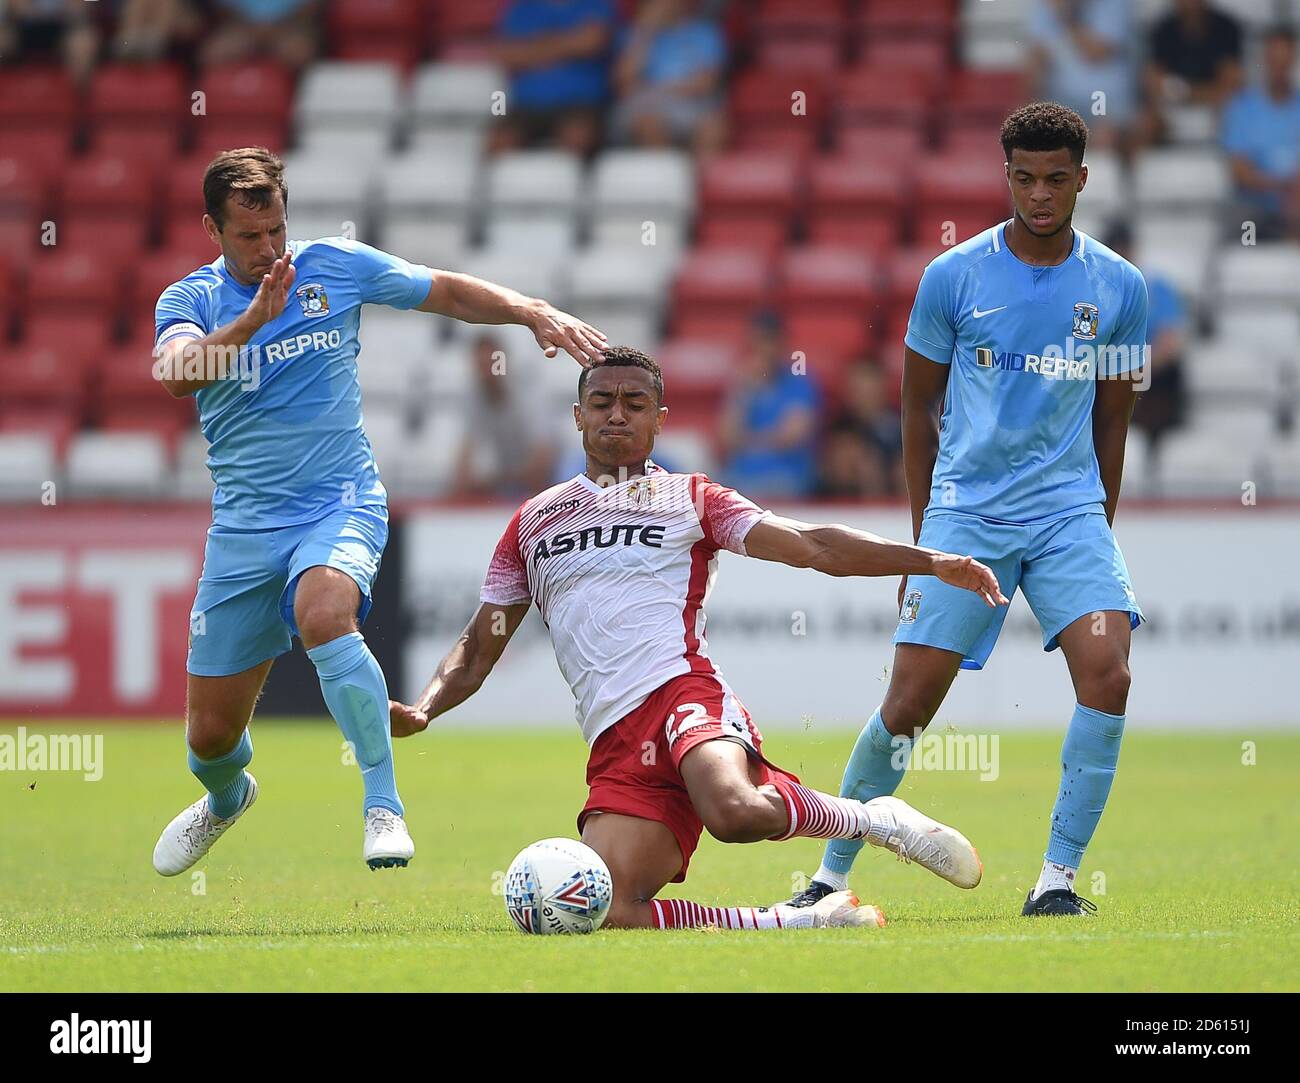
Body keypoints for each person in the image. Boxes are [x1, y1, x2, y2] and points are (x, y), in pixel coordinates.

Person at [389, 346, 1008, 931]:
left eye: (635, 403)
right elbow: (478, 646)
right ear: (578, 415)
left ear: (660, 420)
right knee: (609, 907)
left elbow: (813, 545)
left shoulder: (689, 497)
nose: (616, 414)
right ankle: (794, 920)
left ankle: (876, 819)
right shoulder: (532, 522)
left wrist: (928, 561)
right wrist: (423, 707)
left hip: (682, 692)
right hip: (613, 736)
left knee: (733, 811)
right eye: (601, 402)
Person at [149, 147, 606, 877]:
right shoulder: (190, 301)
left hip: (340, 500)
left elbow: (446, 291)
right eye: (248, 237)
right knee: (208, 739)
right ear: (212, 229)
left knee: (325, 612)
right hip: (243, 526)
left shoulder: (333, 265)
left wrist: (530, 310)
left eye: (275, 231)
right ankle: (228, 796)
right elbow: (175, 374)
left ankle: (382, 801)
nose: (268, 250)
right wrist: (250, 325)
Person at [784, 103, 1149, 918]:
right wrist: (923, 548)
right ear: (1006, 175)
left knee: (1110, 673)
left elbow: (1115, 415)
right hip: (968, 513)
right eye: (1025, 177)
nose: (1041, 193)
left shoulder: (1121, 288)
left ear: (1082, 179)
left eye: (1057, 179)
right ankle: (831, 874)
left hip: (1068, 516)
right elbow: (918, 412)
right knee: (908, 708)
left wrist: (1099, 529)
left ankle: (1056, 881)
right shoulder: (952, 277)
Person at [492, 0, 618, 157]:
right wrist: (571, 43)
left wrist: (534, 49)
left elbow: (592, 42)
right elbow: (506, 54)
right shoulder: (522, 8)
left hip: (582, 103)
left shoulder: (595, 5)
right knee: (500, 140)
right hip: (526, 106)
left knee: (578, 135)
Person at [718, 311, 820, 498]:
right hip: (740, 473)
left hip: (785, 474)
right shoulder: (743, 382)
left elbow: (791, 437)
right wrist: (743, 392)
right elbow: (727, 437)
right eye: (756, 343)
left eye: (767, 341)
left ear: (780, 344)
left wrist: (748, 440)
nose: (762, 349)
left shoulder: (799, 380)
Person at [611, 0, 727, 158]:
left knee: (714, 126)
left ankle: (700, 180)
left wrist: (657, 89)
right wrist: (647, 32)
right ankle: (665, 179)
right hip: (645, 105)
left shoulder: (704, 33)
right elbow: (624, 82)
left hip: (690, 103)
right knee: (649, 123)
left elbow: (706, 83)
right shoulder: (634, 34)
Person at [1107, 224, 1187, 447]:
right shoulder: (1094, 291)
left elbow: (1170, 342)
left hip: (1150, 376)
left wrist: (1136, 371)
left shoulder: (1156, 288)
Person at [451, 333, 558, 498]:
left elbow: (543, 462)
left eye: (490, 364)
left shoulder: (526, 393)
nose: (486, 372)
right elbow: (464, 462)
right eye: (481, 365)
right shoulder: (476, 396)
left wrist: (492, 482)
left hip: (554, 478)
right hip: (514, 482)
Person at [1221, 24, 1300, 242]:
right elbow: (1239, 171)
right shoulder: (1242, 108)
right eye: (1275, 61)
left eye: (1285, 62)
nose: (1279, 68)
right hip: (1256, 207)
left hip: (1296, 205)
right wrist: (1283, 187)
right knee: (1246, 231)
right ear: (1265, 60)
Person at [1027, 0, 1140, 150]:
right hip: (1061, 97)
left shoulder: (1116, 4)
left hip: (1104, 97)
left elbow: (1097, 52)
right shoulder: (1046, 6)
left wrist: (1066, 16)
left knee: (1103, 135)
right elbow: (1036, 57)